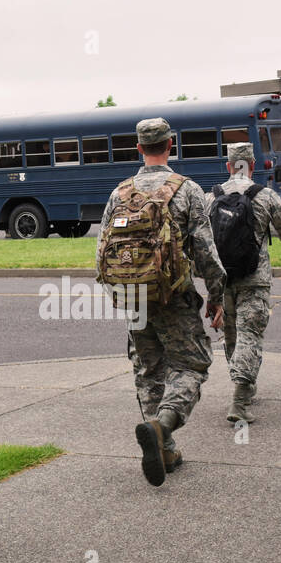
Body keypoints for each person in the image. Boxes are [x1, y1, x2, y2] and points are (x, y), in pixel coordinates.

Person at [98, 117, 226, 486]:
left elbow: (101, 256)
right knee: (191, 365)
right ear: (171, 145)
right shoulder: (187, 191)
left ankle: (164, 447)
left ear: (138, 148)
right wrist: (216, 297)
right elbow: (206, 252)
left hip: (134, 298)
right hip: (174, 298)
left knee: (148, 370)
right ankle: (163, 425)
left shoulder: (119, 193)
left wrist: (122, 293)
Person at [207, 142, 281, 423]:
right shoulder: (264, 196)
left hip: (223, 278)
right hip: (255, 279)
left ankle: (244, 386)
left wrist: (210, 286)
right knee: (250, 335)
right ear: (252, 166)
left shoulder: (212, 197)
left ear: (229, 166)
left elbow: (200, 241)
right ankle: (240, 401)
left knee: (231, 336)